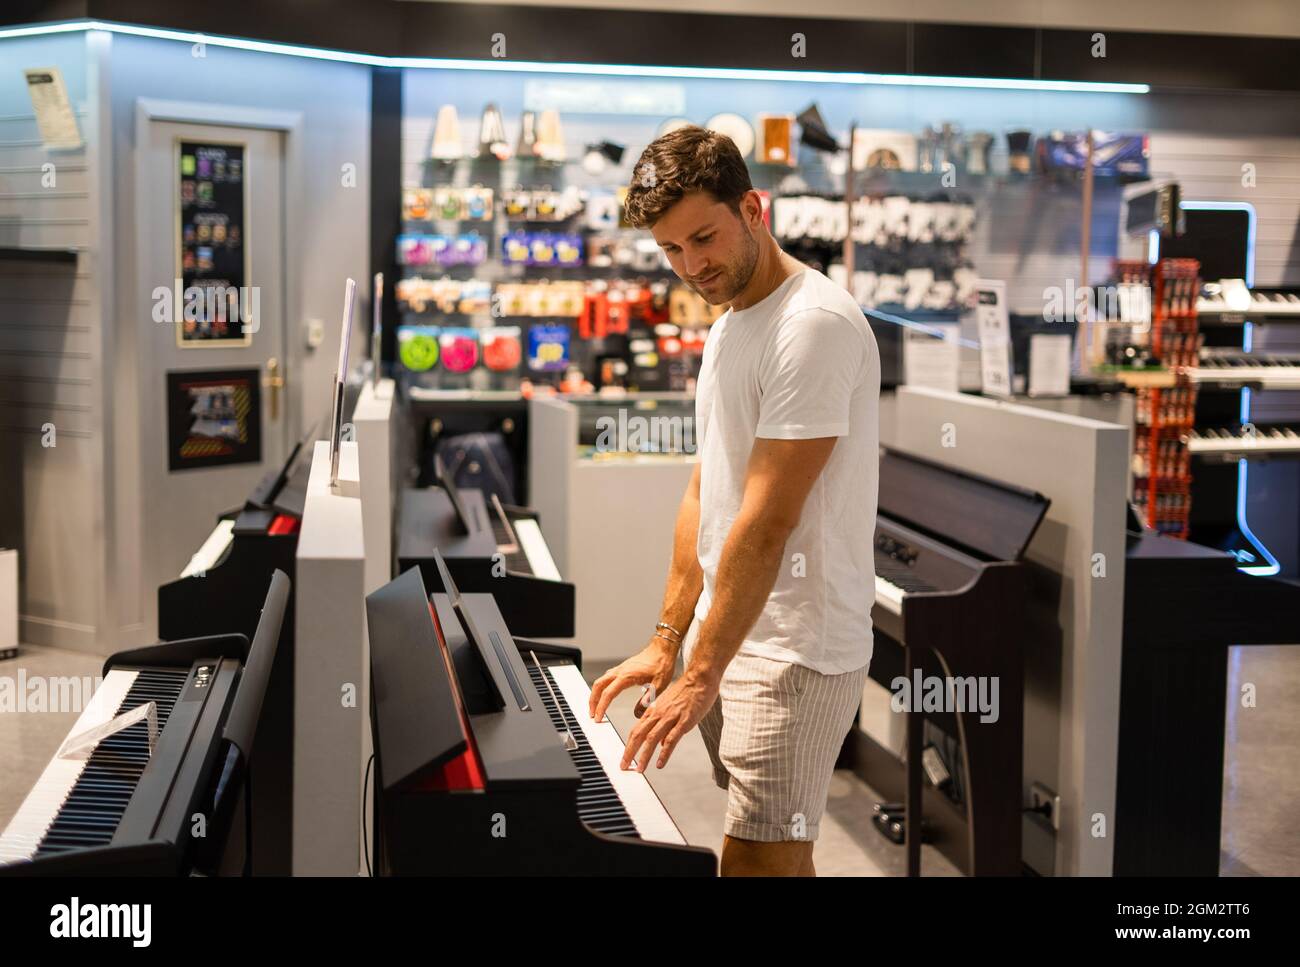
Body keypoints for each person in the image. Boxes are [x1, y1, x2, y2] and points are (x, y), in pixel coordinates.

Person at [588, 126, 881, 876]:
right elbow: (706, 489)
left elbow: (766, 524)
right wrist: (667, 636)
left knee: (756, 860)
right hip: (737, 630)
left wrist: (699, 670)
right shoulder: (731, 320)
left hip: (794, 649)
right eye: (671, 251)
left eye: (705, 238)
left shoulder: (810, 325)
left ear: (755, 206)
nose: (692, 266)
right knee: (774, 859)